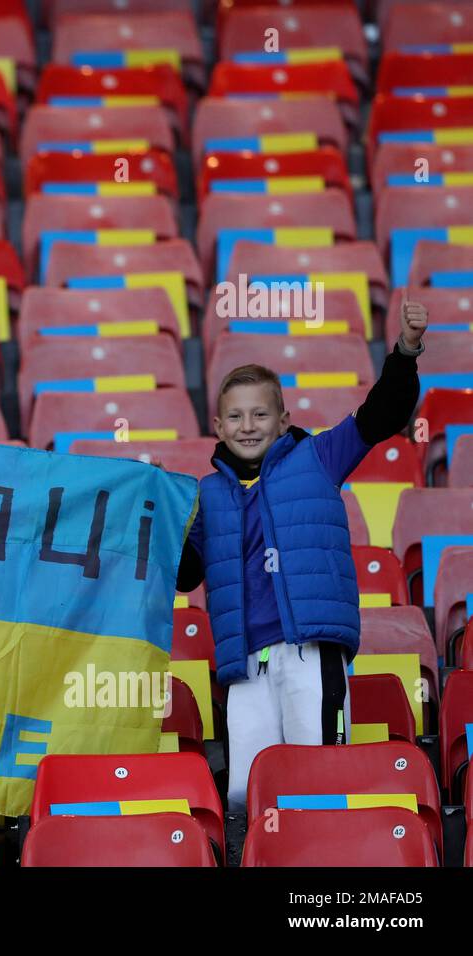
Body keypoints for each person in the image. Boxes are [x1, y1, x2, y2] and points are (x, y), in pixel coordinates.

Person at [176, 294, 428, 811]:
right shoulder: (205, 496)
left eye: (261, 414)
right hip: (244, 667)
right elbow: (183, 575)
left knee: (318, 777)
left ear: (284, 419)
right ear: (218, 428)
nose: (248, 426)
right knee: (249, 793)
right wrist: (157, 519)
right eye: (236, 417)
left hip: (311, 653)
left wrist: (405, 350)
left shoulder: (316, 457)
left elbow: (382, 414)